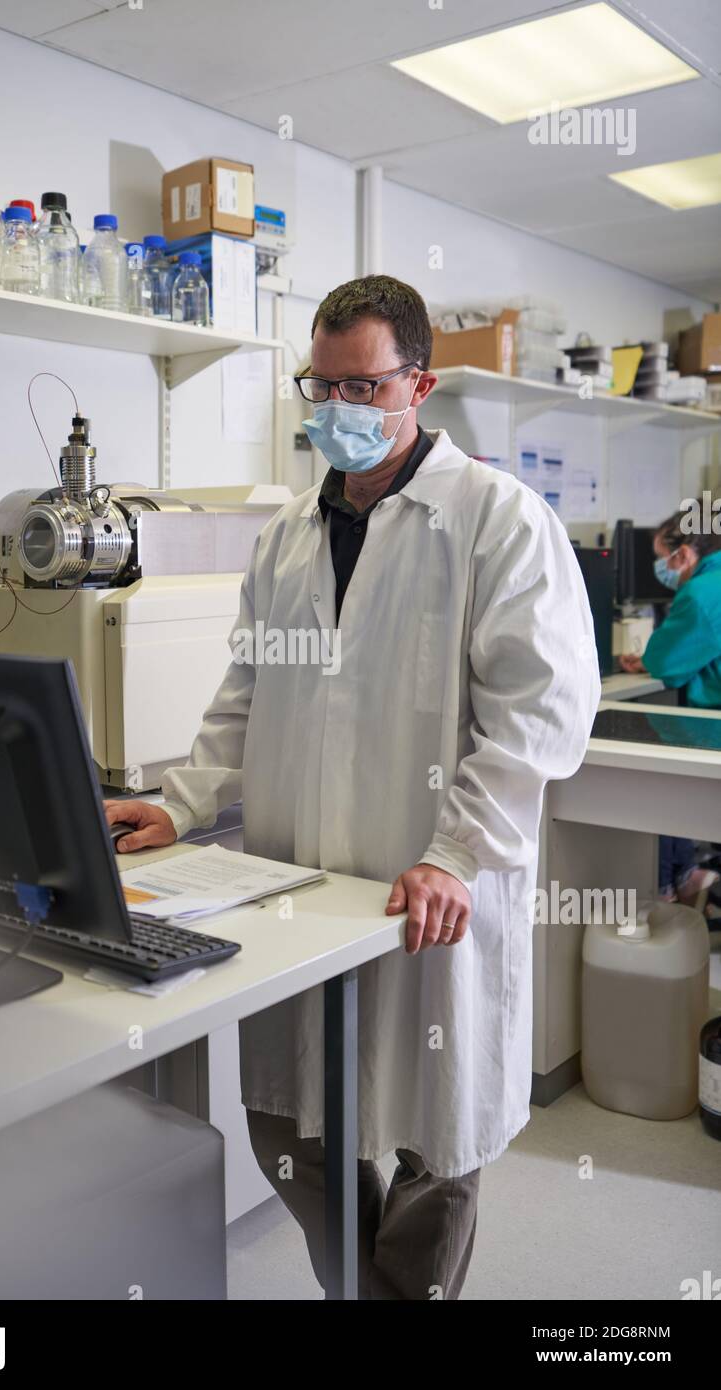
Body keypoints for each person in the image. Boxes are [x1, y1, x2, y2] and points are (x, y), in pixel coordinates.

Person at [106, 275, 599, 1300]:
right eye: (318, 388)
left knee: (435, 1140)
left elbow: (540, 713)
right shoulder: (286, 535)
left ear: (419, 384)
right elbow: (245, 692)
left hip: (430, 892)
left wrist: (456, 851)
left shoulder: (498, 520)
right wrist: (185, 803)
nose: (336, 412)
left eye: (362, 389)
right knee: (288, 1120)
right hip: (298, 887)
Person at [620, 508, 721, 906]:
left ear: (682, 556)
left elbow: (666, 663)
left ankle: (665, 888)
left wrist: (650, 657)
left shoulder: (701, 592)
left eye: (663, 557)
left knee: (651, 781)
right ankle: (685, 877)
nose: (662, 568)